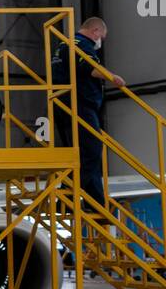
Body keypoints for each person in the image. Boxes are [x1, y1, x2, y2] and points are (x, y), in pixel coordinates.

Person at [50, 16, 125, 206]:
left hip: (63, 105)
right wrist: (113, 77)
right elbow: (90, 68)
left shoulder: (62, 45)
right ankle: (66, 197)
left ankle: (97, 204)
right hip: (79, 105)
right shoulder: (81, 44)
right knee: (91, 151)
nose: (101, 41)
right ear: (96, 32)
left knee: (85, 156)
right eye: (102, 37)